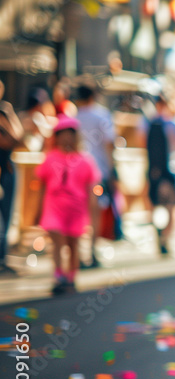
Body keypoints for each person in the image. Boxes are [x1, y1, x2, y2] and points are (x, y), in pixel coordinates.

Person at [35, 116, 101, 294]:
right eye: (62, 134)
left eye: (69, 134)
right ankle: (59, 275)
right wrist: (38, 210)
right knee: (57, 241)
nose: (66, 138)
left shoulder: (85, 160)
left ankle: (71, 276)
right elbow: (41, 185)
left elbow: (91, 189)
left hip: (76, 209)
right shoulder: (49, 159)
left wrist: (93, 212)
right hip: (54, 206)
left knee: (73, 245)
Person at [75, 84, 120, 266]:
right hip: (97, 171)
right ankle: (91, 251)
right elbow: (110, 144)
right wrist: (112, 170)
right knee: (95, 212)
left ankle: (77, 253)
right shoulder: (102, 115)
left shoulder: (73, 117)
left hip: (76, 172)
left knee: (78, 213)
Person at [145, 95, 175, 255]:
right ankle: (166, 237)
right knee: (172, 206)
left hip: (153, 170)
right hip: (171, 170)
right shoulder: (173, 125)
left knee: (155, 204)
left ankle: (159, 231)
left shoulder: (147, 124)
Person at [0, 78, 24, 276]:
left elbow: (18, 140)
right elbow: (10, 141)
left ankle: (2, 258)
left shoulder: (3, 113)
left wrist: (8, 112)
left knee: (6, 217)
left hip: (6, 169)